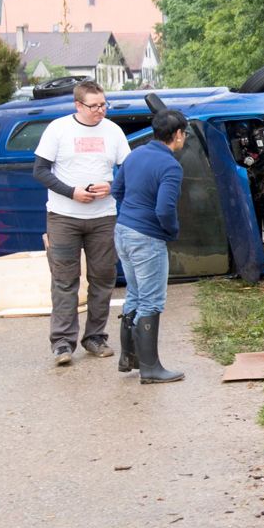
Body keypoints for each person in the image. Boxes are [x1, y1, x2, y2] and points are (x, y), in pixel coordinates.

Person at [32, 81, 130, 367]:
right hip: (63, 217)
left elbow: (127, 168)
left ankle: (95, 337)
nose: (100, 111)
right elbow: (39, 171)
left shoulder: (113, 131)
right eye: (93, 106)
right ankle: (62, 343)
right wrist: (71, 192)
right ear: (78, 105)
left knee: (102, 278)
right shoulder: (58, 129)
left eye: (103, 104)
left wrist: (111, 186)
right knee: (65, 280)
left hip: (102, 218)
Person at [112, 109, 187, 384]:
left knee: (135, 293)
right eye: (184, 133)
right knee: (152, 300)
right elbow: (165, 208)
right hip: (146, 237)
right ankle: (150, 368)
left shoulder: (135, 155)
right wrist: (171, 231)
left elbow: (116, 191)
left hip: (123, 231)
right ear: (177, 134)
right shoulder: (170, 166)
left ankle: (128, 357)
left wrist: (132, 214)